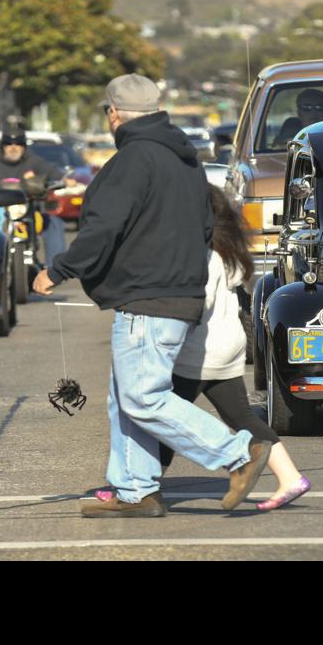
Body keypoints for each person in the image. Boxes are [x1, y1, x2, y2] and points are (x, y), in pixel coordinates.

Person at [33, 74, 272, 518]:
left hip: (148, 299)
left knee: (143, 398)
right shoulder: (186, 161)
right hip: (179, 295)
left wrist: (58, 270)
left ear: (114, 114)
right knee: (125, 398)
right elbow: (205, 227)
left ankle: (238, 453)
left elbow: (103, 228)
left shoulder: (132, 160)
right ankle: (136, 490)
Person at [97, 187, 310, 509]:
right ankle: (292, 478)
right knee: (241, 417)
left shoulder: (200, 256)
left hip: (198, 351)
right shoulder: (226, 250)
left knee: (154, 413)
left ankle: (137, 488)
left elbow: (197, 302)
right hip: (227, 345)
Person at [0, 127, 67, 266]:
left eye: (18, 143)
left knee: (54, 223)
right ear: (2, 146)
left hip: (28, 212)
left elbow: (54, 173)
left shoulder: (34, 162)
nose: (13, 147)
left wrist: (66, 179)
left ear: (24, 147)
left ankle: (55, 268)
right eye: (9, 143)